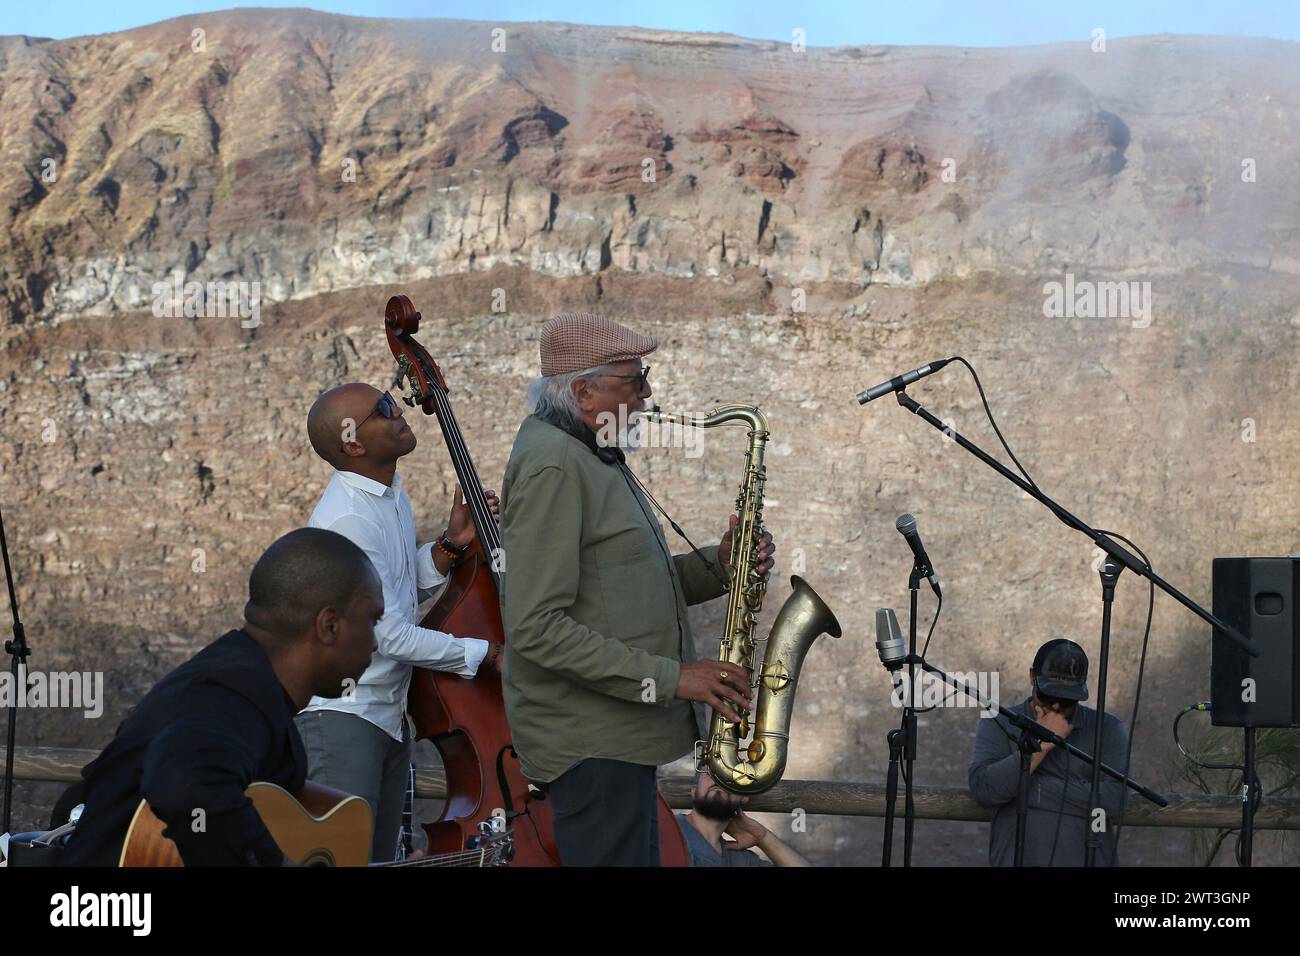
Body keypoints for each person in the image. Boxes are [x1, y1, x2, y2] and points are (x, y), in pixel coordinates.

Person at [498, 311, 773, 866]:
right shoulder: (554, 467)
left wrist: (722, 565)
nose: (648, 394)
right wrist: (676, 678)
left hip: (617, 739)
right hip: (592, 747)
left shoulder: (592, 452)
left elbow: (622, 584)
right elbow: (535, 629)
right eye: (635, 379)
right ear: (583, 390)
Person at [61, 528, 381, 866]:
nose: (375, 642)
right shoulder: (232, 693)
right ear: (329, 625)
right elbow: (182, 782)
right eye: (373, 619)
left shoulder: (243, 682)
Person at [297, 382, 501, 863]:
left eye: (392, 398)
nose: (400, 409)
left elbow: (394, 591)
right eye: (384, 409)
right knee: (341, 858)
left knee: (378, 861)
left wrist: (448, 548)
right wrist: (486, 653)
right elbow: (386, 634)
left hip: (386, 717)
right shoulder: (348, 518)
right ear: (354, 443)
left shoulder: (387, 496)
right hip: (345, 718)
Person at [968, 639, 1129, 866]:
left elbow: (1115, 801)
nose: (1055, 707)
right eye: (1050, 697)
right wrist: (1041, 746)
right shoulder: (999, 722)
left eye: (1066, 701)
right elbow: (984, 788)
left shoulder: (1108, 729)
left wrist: (1027, 788)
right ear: (1033, 677)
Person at [676, 771, 810, 867]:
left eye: (733, 774)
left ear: (744, 796)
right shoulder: (664, 829)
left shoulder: (742, 861)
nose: (719, 780)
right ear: (694, 792)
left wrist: (763, 838)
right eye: (711, 773)